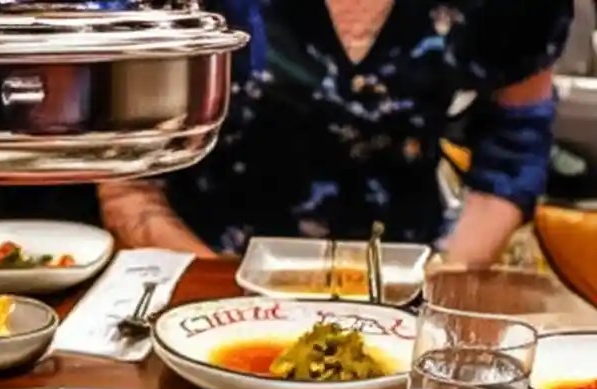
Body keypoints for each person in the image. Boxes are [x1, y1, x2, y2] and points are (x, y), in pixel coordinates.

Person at [99, 1, 575, 265]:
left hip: (404, 279)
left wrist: (444, 279)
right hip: (205, 268)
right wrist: (212, 289)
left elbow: (515, 144)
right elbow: (127, 171)